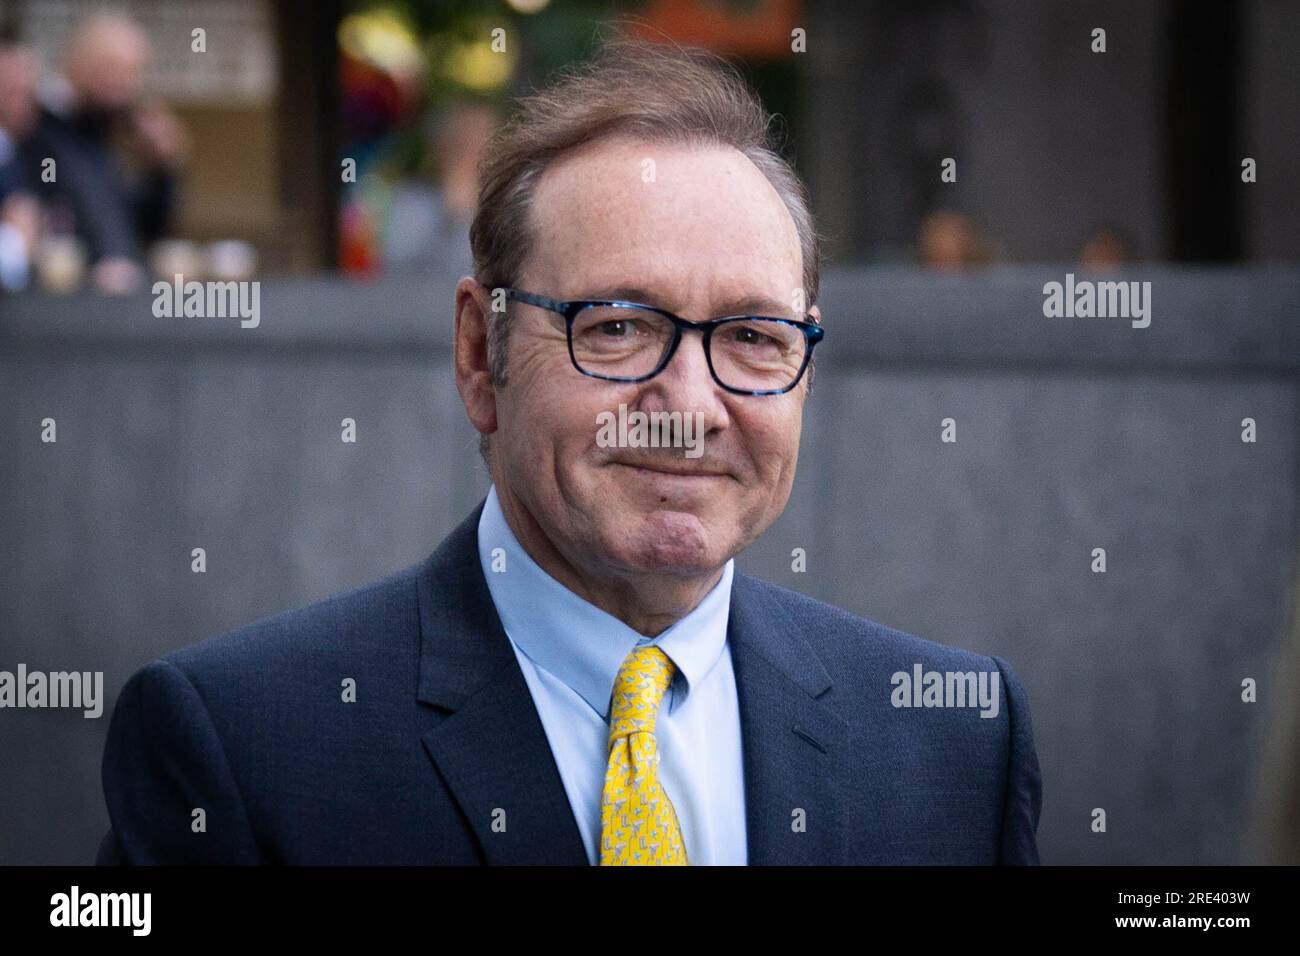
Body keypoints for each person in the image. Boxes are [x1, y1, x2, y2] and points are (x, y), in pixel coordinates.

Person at [96, 36, 1042, 866]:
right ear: (481, 353)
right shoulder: (242, 749)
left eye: (754, 336)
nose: (691, 406)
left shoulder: (955, 744)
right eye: (620, 326)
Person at [24, 12, 186, 293]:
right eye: (114, 68)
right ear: (78, 63)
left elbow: (146, 225)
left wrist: (161, 169)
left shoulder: (103, 133)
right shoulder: (34, 129)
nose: (126, 84)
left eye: (134, 71)